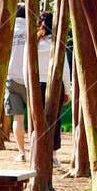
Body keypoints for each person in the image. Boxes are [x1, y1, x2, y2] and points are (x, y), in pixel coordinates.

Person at [35, 10, 72, 164]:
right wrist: (68, 90)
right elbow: (64, 70)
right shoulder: (56, 45)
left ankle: (37, 151)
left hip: (37, 85)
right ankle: (53, 155)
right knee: (55, 120)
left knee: (38, 118)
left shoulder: (34, 44)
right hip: (55, 85)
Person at [5, 4, 28, 159]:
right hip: (31, 79)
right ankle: (40, 152)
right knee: (36, 118)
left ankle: (22, 152)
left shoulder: (9, 31)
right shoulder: (33, 30)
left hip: (12, 78)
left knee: (17, 118)